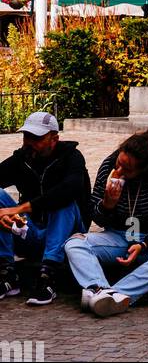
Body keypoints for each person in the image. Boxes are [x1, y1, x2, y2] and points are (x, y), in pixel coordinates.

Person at [65, 129, 148, 319]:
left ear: (143, 170)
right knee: (75, 243)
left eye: (128, 169)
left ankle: (115, 294)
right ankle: (100, 289)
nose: (120, 171)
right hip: (119, 236)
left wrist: (144, 244)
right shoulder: (108, 165)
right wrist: (107, 205)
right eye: (119, 164)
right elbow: (96, 217)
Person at [0, 111, 91, 306]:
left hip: (68, 236)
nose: (29, 142)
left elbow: (70, 188)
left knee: (63, 201)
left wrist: (20, 208)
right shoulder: (22, 158)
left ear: (54, 139)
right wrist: (5, 215)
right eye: (27, 136)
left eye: (37, 138)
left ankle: (48, 275)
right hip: (31, 232)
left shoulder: (72, 157)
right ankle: (7, 272)